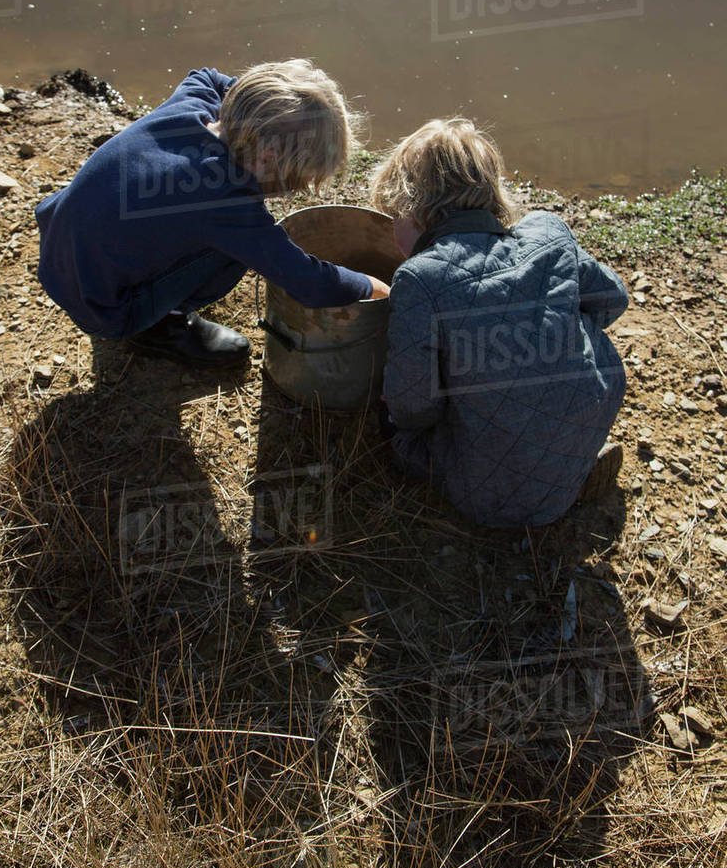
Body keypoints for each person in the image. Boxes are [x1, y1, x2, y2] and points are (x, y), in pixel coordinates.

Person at [35, 60, 389, 366]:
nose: (294, 187)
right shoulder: (223, 200)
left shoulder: (197, 100)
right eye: (297, 178)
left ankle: (129, 289)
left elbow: (208, 76)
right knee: (230, 252)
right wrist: (372, 286)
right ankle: (161, 329)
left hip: (58, 246)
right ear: (267, 159)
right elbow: (306, 281)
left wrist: (263, 112)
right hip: (102, 309)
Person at [370, 117, 628, 529]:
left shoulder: (420, 277)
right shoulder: (548, 234)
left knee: (397, 432)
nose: (391, 230)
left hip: (488, 498)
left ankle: (540, 474)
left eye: (393, 217)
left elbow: (413, 406)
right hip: (588, 416)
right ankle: (573, 465)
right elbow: (613, 301)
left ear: (417, 212)